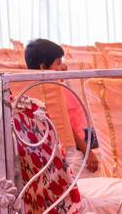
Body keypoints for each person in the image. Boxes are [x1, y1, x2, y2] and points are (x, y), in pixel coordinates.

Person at [25, 39, 101, 177]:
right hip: (73, 146)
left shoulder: (29, 87)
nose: (64, 66)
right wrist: (88, 151)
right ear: (43, 67)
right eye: (58, 63)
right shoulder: (53, 91)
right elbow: (66, 128)